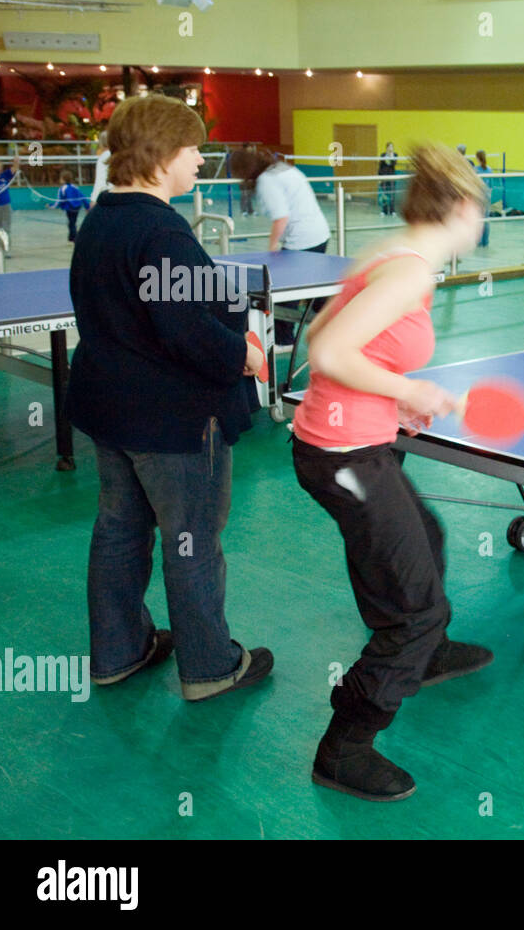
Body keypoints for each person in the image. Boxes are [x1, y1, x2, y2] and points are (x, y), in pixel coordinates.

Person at [291, 144, 494, 802]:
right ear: (461, 209)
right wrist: (411, 392)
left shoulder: (389, 253)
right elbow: (327, 347)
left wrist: (388, 395)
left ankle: (426, 657)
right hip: (344, 457)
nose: (481, 225)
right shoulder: (408, 273)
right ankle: (344, 746)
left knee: (424, 538)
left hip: (349, 442)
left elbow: (327, 323)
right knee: (416, 609)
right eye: (480, 212)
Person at [65, 94, 272, 700]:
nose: (200, 162)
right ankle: (211, 667)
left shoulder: (103, 219)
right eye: (193, 150)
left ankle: (119, 652)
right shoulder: (161, 229)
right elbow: (184, 329)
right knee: (191, 540)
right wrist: (245, 354)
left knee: (120, 530)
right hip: (174, 424)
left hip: (111, 411)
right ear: (160, 157)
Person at [230, 146, 332, 346]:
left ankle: (285, 341)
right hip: (319, 234)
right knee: (316, 294)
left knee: (286, 295)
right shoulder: (282, 168)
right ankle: (336, 325)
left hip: (302, 241)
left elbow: (281, 217)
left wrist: (272, 246)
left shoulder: (267, 181)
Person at [0, 153, 21, 260]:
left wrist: (16, 161)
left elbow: (14, 168)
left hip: (6, 205)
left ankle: (6, 251)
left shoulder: (5, 176)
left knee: (6, 229)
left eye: (0, 167)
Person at [48, 169, 90, 242]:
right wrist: (87, 207)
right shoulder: (75, 187)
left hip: (70, 209)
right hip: (77, 208)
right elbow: (83, 197)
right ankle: (71, 237)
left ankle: (74, 238)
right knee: (73, 222)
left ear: (63, 179)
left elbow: (59, 201)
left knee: (71, 223)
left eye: (60, 178)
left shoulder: (62, 189)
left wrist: (51, 206)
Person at [474, 149, 493, 247]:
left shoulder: (476, 170)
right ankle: (486, 241)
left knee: (479, 219)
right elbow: (491, 184)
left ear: (477, 158)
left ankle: (479, 241)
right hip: (487, 196)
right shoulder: (489, 169)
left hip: (478, 195)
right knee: (486, 218)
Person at [377, 141, 398, 217]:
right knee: (384, 195)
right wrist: (379, 177)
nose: (390, 148)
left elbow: (394, 164)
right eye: (389, 147)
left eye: (392, 147)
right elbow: (380, 166)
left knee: (392, 194)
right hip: (384, 177)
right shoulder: (383, 155)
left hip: (391, 177)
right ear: (386, 148)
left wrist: (391, 156)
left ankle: (392, 211)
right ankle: (384, 211)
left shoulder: (395, 155)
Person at [91, 131, 111, 203]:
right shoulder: (119, 155)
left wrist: (94, 199)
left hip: (106, 195)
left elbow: (100, 180)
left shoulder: (103, 157)